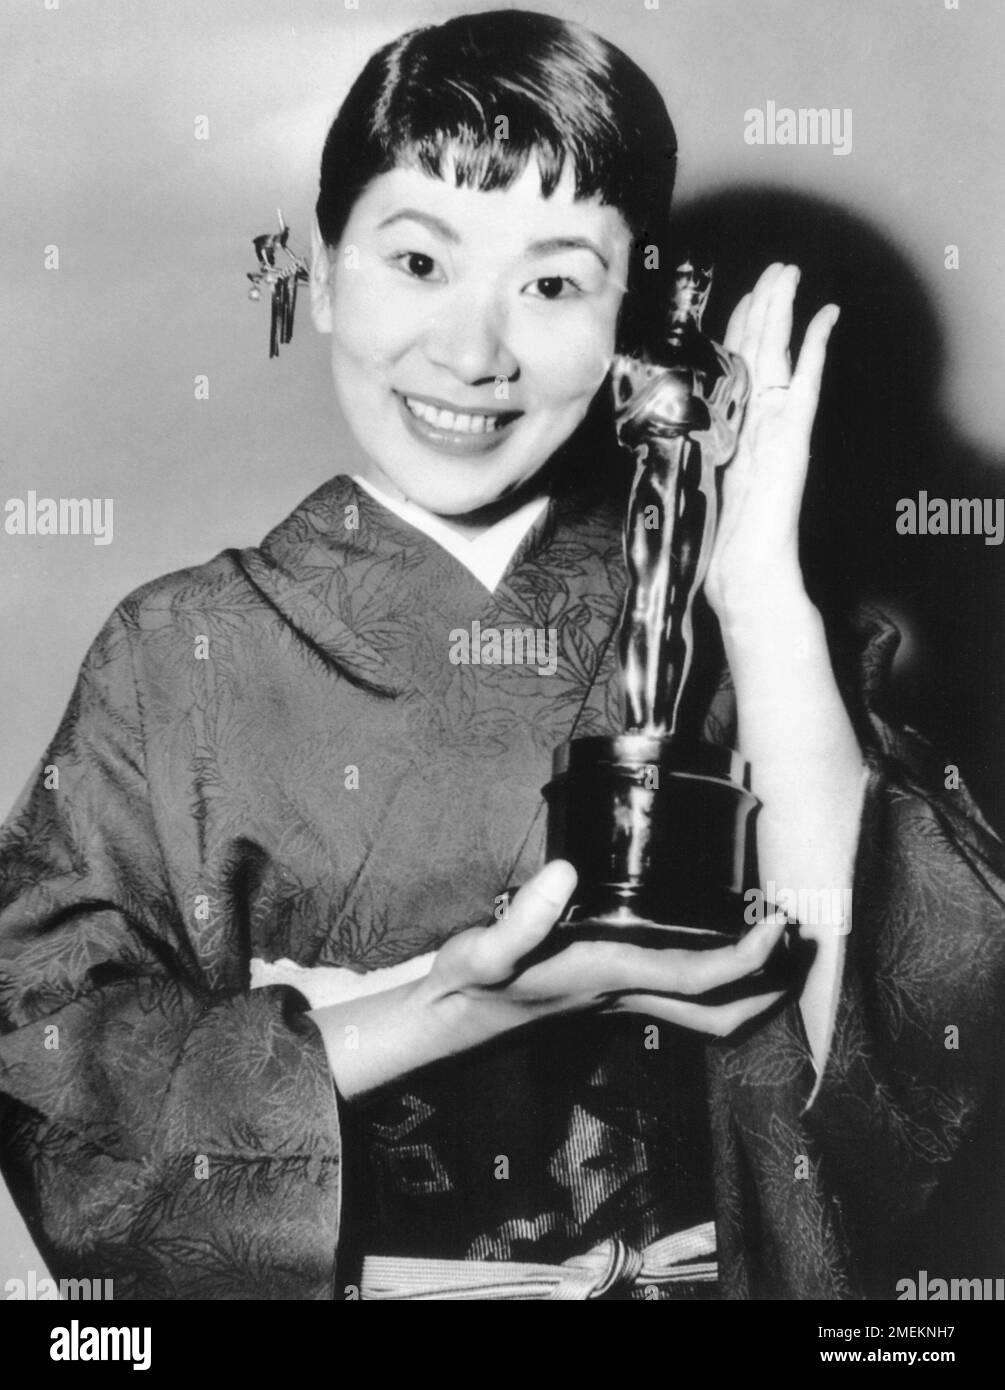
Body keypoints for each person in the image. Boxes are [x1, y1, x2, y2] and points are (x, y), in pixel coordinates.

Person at [1, 9, 1002, 1301]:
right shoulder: (178, 652)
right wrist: (458, 1005)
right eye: (419, 260)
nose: (471, 353)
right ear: (320, 262)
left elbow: (917, 1055)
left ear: (628, 308)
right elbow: (46, 1062)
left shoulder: (716, 641)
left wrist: (755, 594)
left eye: (551, 282)